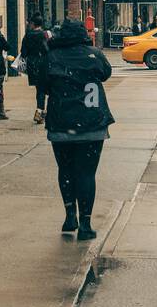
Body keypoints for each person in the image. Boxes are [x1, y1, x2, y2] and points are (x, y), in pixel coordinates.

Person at [44, 18, 115, 241]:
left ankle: (69, 215)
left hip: (62, 124)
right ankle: (85, 223)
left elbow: (43, 85)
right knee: (86, 173)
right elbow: (106, 73)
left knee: (65, 170)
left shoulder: (52, 56)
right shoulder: (94, 54)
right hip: (92, 124)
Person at [20, 13, 51, 125]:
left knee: (40, 89)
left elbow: (23, 53)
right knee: (50, 88)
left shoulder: (27, 36)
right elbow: (48, 49)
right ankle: (45, 112)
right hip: (45, 64)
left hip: (33, 65)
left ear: (33, 24)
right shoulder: (45, 35)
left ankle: (40, 111)